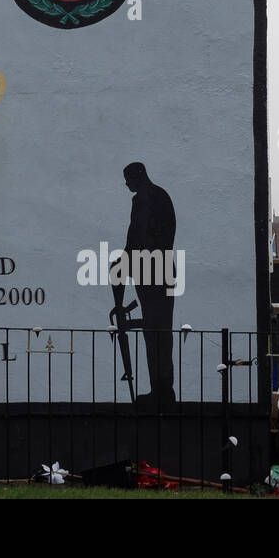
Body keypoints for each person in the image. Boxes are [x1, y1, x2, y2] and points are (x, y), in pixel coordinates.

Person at [122, 161, 177, 407]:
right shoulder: (162, 195)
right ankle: (164, 391)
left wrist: (124, 261)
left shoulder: (143, 199)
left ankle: (160, 392)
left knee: (153, 333)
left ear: (138, 177)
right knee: (161, 331)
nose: (127, 185)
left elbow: (136, 234)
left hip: (150, 269)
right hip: (163, 268)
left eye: (128, 180)